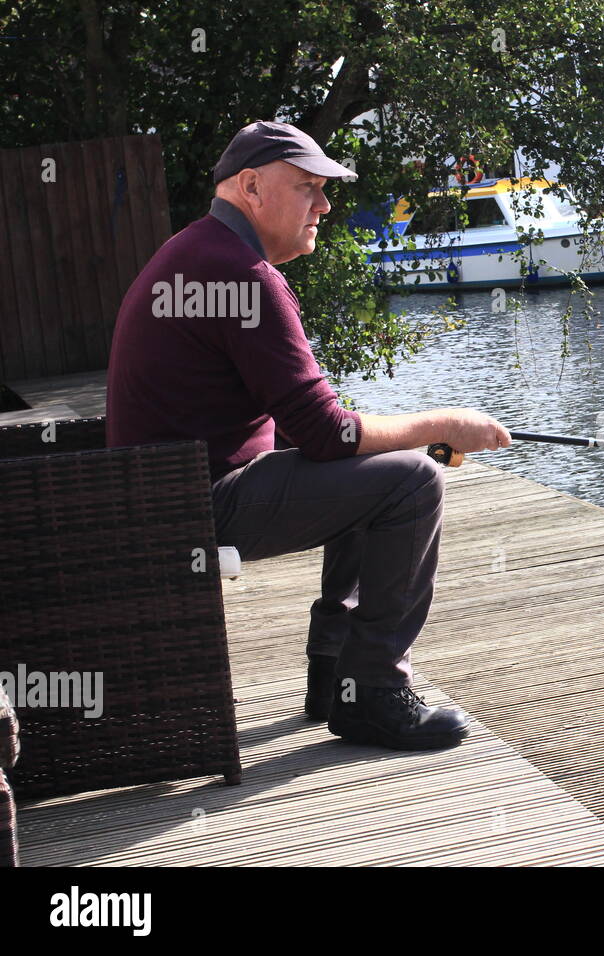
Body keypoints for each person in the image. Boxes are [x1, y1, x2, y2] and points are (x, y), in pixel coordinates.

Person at [106, 120, 510, 750]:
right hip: (195, 507)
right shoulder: (241, 276)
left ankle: (335, 678)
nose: (324, 206)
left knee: (387, 466)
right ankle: (373, 691)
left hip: (167, 496)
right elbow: (327, 434)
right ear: (251, 187)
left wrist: (401, 439)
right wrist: (444, 426)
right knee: (413, 481)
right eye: (308, 188)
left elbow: (311, 429)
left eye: (326, 190)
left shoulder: (202, 252)